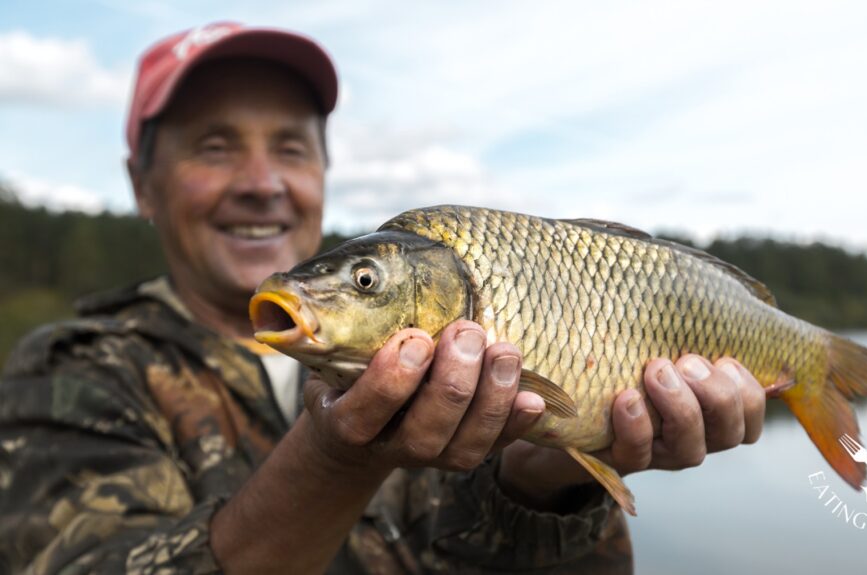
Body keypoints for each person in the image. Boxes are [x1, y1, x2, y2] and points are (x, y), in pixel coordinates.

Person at [0, 23, 767, 574]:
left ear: (322, 172)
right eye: (215, 145)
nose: (262, 182)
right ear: (141, 183)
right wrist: (336, 458)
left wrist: (541, 479)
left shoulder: (452, 357)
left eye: (291, 146)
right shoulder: (72, 375)